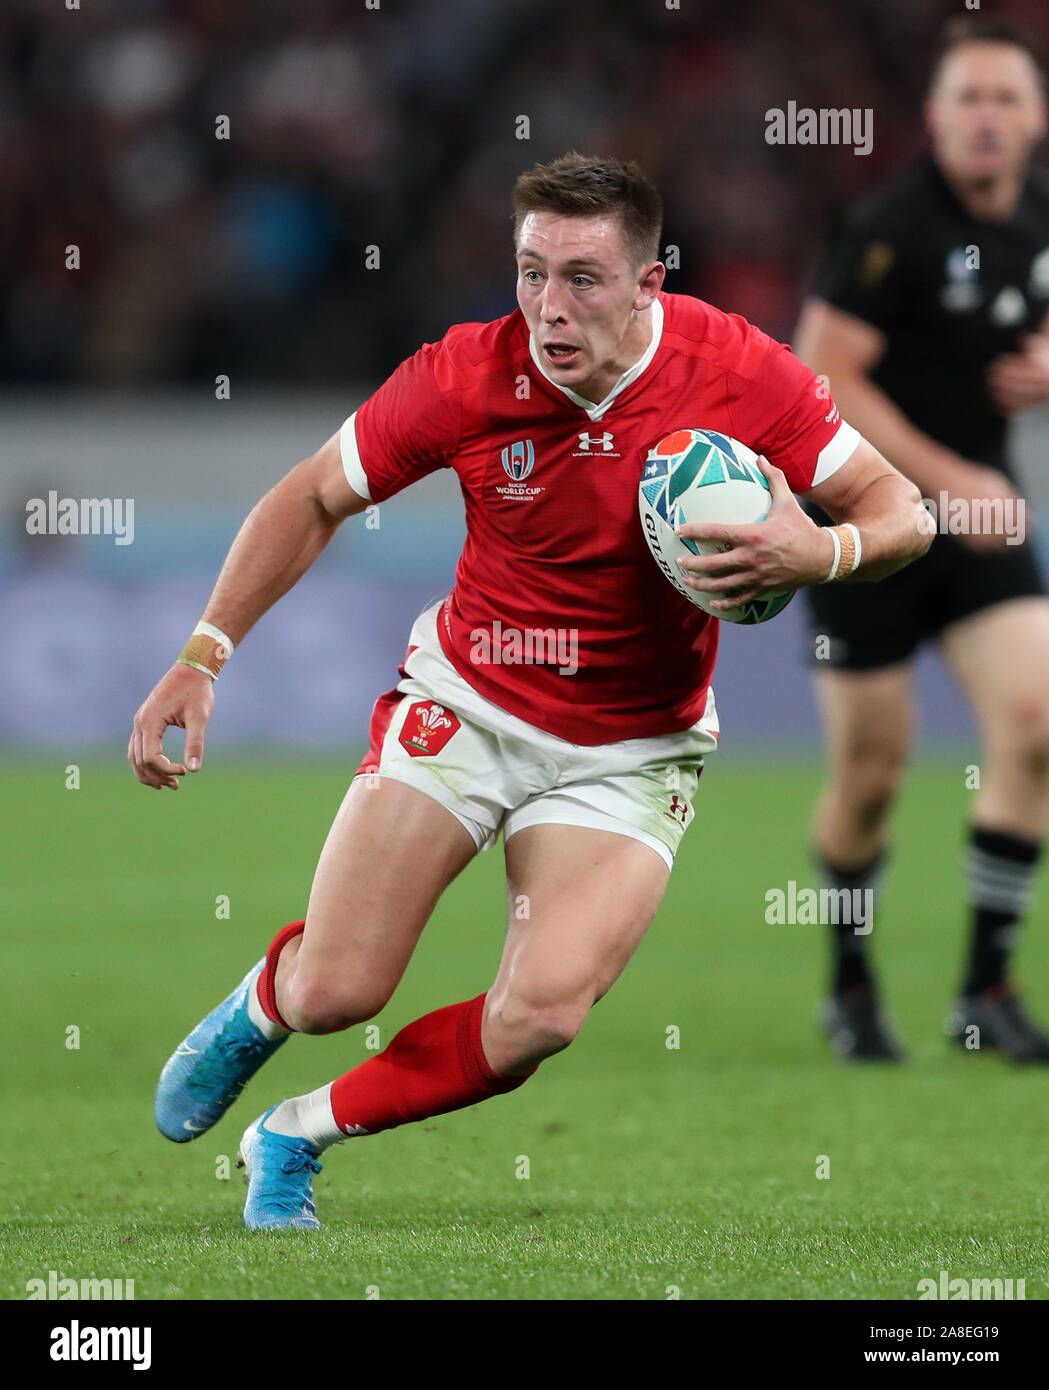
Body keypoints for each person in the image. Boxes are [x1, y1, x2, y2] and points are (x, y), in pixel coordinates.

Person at [130, 152, 928, 1229]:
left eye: (583, 278)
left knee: (540, 1016)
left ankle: (295, 1131)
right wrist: (202, 654)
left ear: (649, 285)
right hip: (469, 702)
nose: (549, 307)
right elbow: (314, 493)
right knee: (337, 991)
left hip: (634, 745)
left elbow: (901, 511)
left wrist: (816, 551)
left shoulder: (735, 369)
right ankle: (267, 1002)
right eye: (529, 272)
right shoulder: (466, 373)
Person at [796, 17, 1049, 1063]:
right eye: (966, 99)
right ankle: (849, 984)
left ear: (1033, 120)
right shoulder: (887, 226)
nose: (984, 117)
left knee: (1035, 724)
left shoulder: (1035, 221)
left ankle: (981, 990)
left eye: (1003, 99)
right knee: (872, 771)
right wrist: (947, 478)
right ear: (934, 118)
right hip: (863, 522)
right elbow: (822, 371)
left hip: (978, 527)